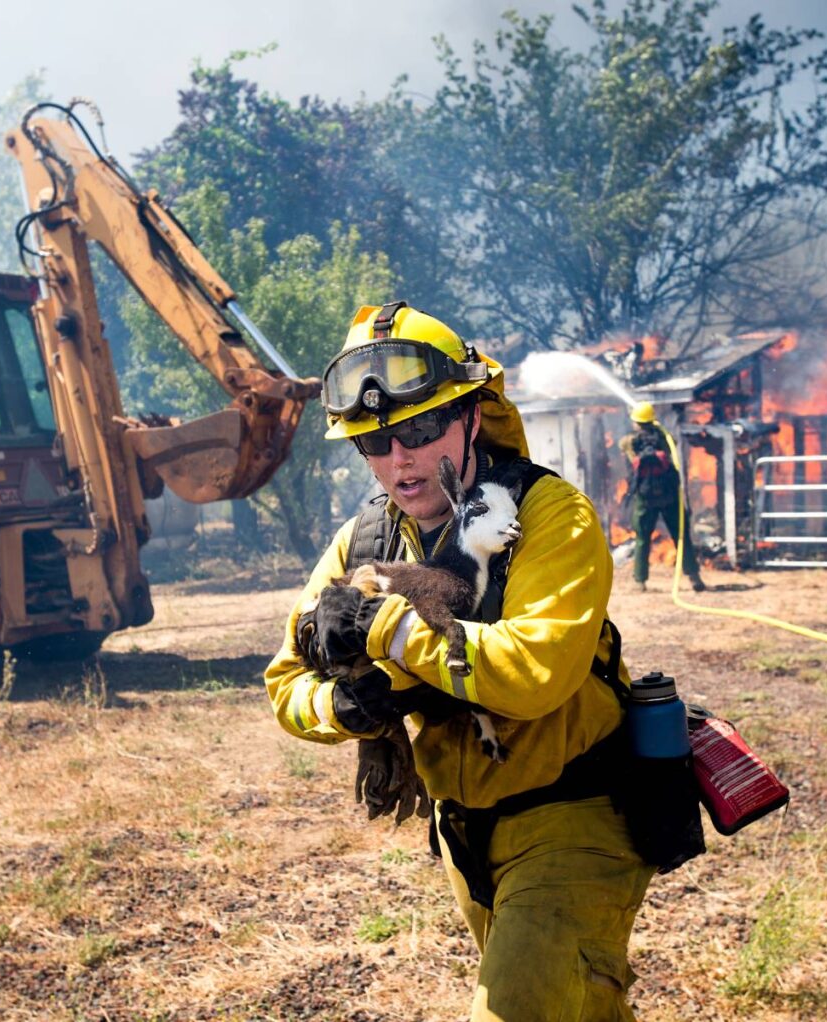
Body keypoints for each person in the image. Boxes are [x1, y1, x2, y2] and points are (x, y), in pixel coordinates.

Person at [265, 301, 667, 1021]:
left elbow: (534, 672)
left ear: (472, 416)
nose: (401, 460)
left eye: (420, 431)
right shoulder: (366, 537)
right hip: (465, 833)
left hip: (573, 816)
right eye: (375, 442)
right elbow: (284, 684)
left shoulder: (549, 517)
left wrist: (392, 627)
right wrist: (345, 708)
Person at [619, 403, 706, 593]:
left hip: (645, 497)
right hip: (669, 495)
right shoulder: (665, 438)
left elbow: (624, 449)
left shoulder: (629, 441)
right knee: (681, 536)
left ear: (637, 422)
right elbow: (673, 444)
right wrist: (659, 429)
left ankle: (639, 581)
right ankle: (694, 577)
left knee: (642, 538)